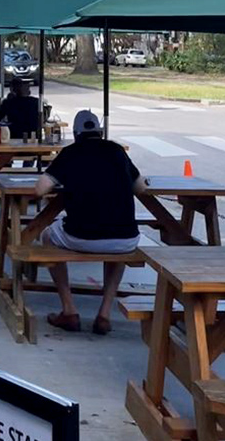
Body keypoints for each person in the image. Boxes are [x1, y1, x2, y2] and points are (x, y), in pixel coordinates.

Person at [34, 109, 148, 335]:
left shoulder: (70, 153)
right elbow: (141, 188)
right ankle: (104, 313)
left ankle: (69, 309)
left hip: (82, 235)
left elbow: (40, 189)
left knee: (47, 235)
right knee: (117, 244)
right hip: (126, 238)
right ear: (100, 131)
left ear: (76, 134)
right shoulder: (117, 151)